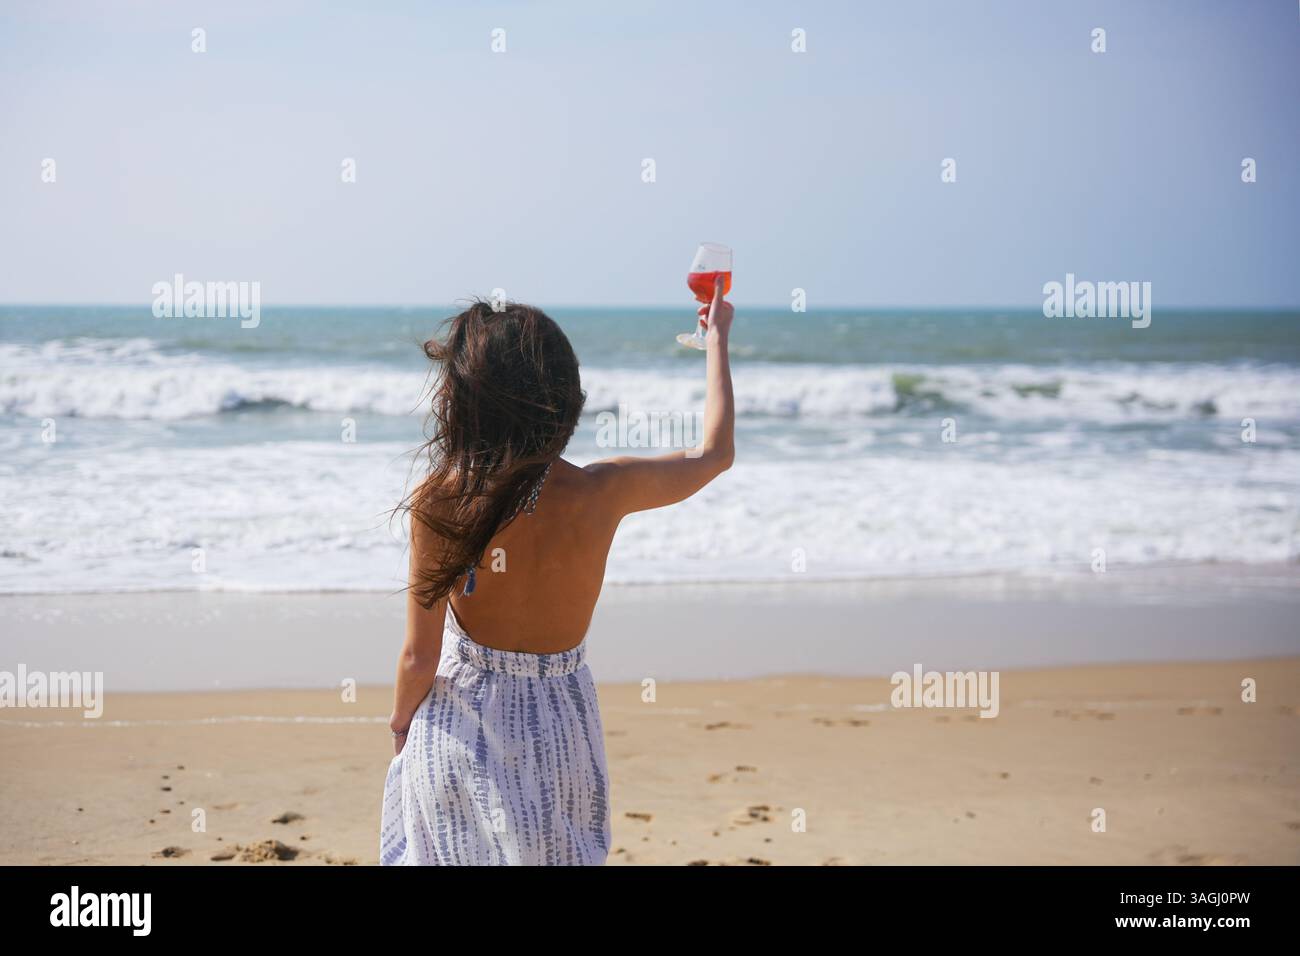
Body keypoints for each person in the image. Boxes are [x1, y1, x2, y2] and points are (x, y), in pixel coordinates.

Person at [379, 280, 735, 865]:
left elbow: (419, 657)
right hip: (559, 720)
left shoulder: (442, 499)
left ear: (466, 402)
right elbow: (715, 454)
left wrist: (400, 725)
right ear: (565, 397)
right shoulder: (603, 490)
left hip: (460, 719)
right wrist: (716, 339)